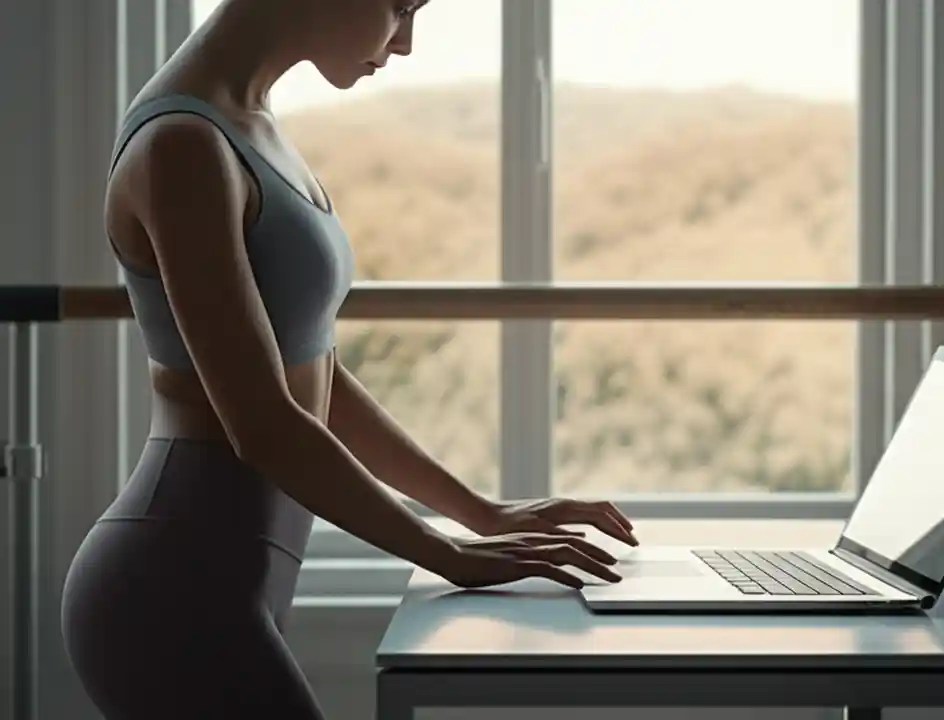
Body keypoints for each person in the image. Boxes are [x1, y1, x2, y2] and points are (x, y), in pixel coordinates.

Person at [60, 1, 639, 717]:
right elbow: (263, 423)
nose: (404, 44)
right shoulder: (182, 148)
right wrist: (441, 551)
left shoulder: (248, 124)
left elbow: (315, 376)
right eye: (399, 7)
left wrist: (479, 513)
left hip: (232, 573)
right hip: (171, 585)